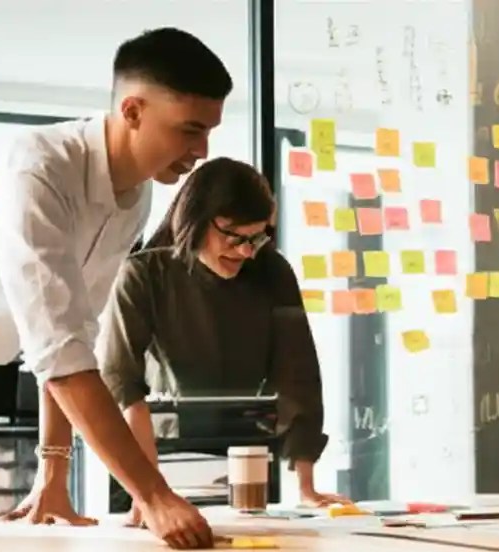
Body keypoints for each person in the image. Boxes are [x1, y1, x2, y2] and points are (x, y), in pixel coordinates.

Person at [0, 28, 231, 549]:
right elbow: (59, 349)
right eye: (190, 130)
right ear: (134, 110)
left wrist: (53, 474)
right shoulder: (38, 167)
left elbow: (73, 336)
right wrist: (155, 496)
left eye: (208, 132)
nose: (202, 151)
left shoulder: (137, 195)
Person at [98, 158, 351, 520]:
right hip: (153, 459)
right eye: (234, 237)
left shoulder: (273, 271)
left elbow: (298, 379)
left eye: (258, 237)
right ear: (195, 219)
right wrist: (149, 492)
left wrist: (306, 487)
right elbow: (122, 384)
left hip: (248, 461)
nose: (247, 251)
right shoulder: (143, 275)